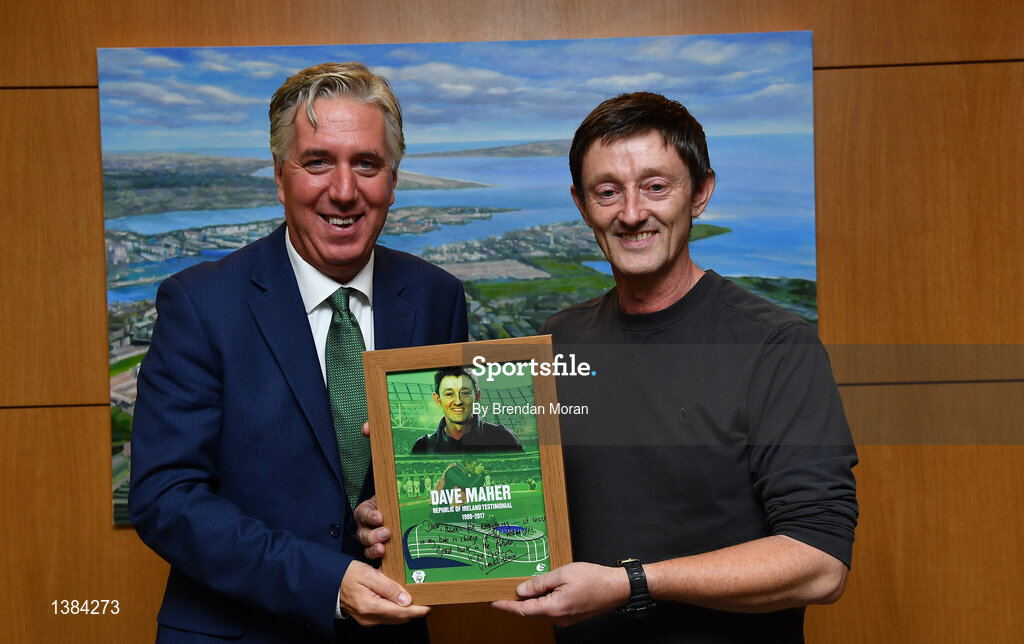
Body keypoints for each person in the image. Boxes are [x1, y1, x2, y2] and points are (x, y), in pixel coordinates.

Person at [359, 92, 858, 643]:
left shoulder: (778, 348)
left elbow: (819, 561)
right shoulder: (556, 341)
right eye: (607, 191)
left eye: (656, 186)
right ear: (580, 202)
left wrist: (632, 584)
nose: (632, 212)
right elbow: (502, 480)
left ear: (701, 193)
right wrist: (405, 492)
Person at [128, 62, 467, 643]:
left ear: (393, 180)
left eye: (367, 164)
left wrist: (404, 512)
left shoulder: (436, 297)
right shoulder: (199, 303)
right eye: (317, 162)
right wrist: (328, 580)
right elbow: (166, 498)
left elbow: (441, 466)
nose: (343, 190)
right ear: (280, 179)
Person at [410, 366, 523, 453]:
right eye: (449, 394)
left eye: (465, 393)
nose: (458, 401)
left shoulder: (504, 438)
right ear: (437, 399)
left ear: (477, 396)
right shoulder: (423, 446)